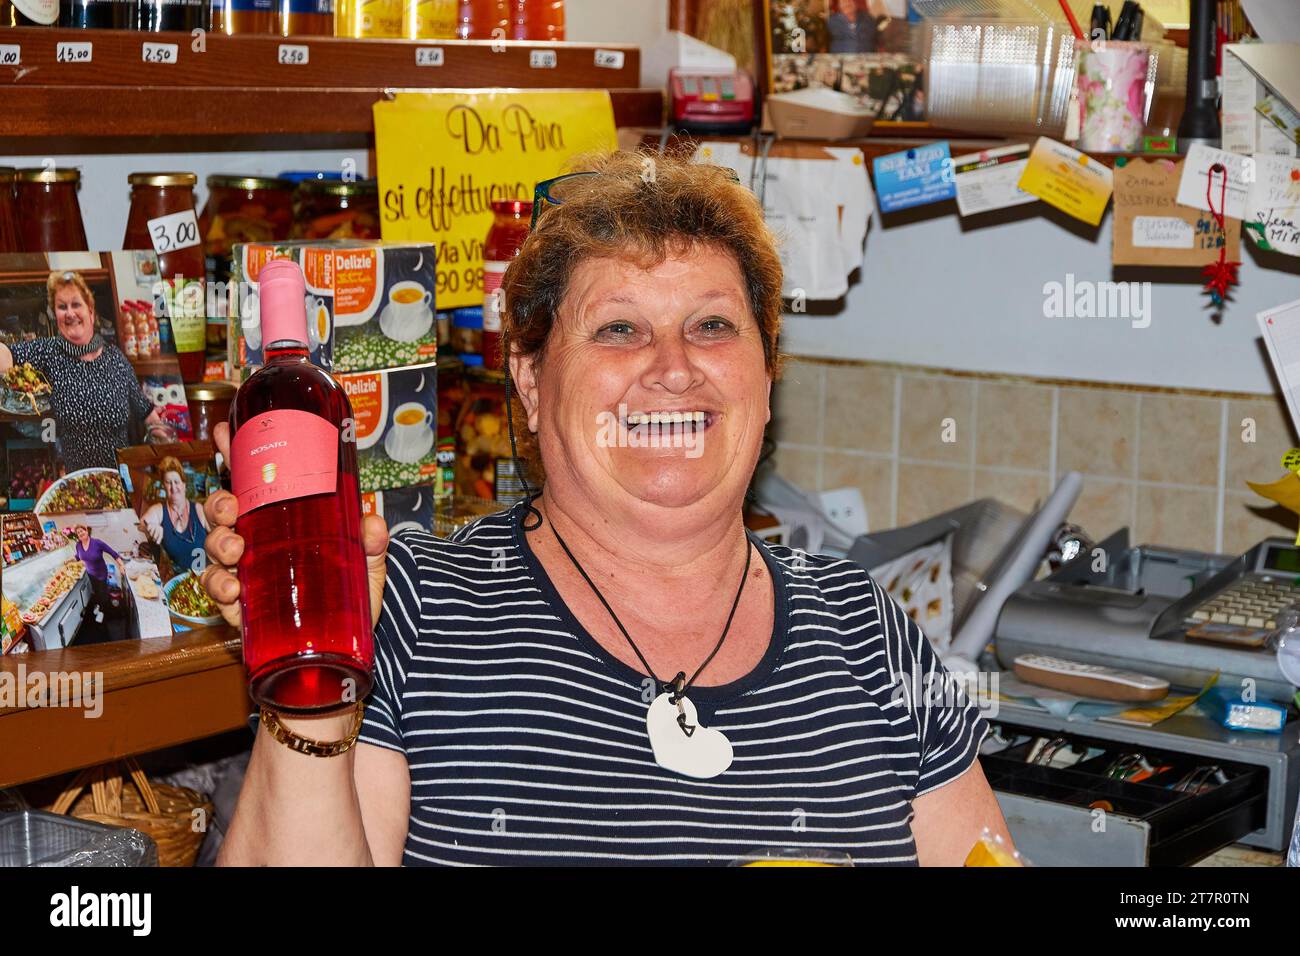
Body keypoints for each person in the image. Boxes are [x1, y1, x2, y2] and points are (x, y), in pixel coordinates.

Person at [201, 151, 1013, 866]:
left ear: (766, 378)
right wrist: (313, 680)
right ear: (528, 378)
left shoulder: (869, 633)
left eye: (713, 325)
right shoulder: (410, 608)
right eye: (619, 328)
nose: (673, 367)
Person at [0, 271, 164, 473]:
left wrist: (163, 436)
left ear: (91, 311)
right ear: (55, 314)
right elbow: (8, 355)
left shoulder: (116, 359)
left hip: (120, 478)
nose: (69, 313)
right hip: (76, 481)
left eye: (76, 304)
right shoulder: (49, 351)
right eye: (62, 307)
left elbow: (145, 411)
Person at [141, 456, 209, 572]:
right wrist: (150, 527)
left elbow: (217, 533)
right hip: (177, 581)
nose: (173, 487)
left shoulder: (199, 509)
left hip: (205, 576)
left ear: (184, 485)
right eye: (168, 483)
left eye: (176, 482)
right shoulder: (159, 510)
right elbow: (141, 524)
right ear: (164, 486)